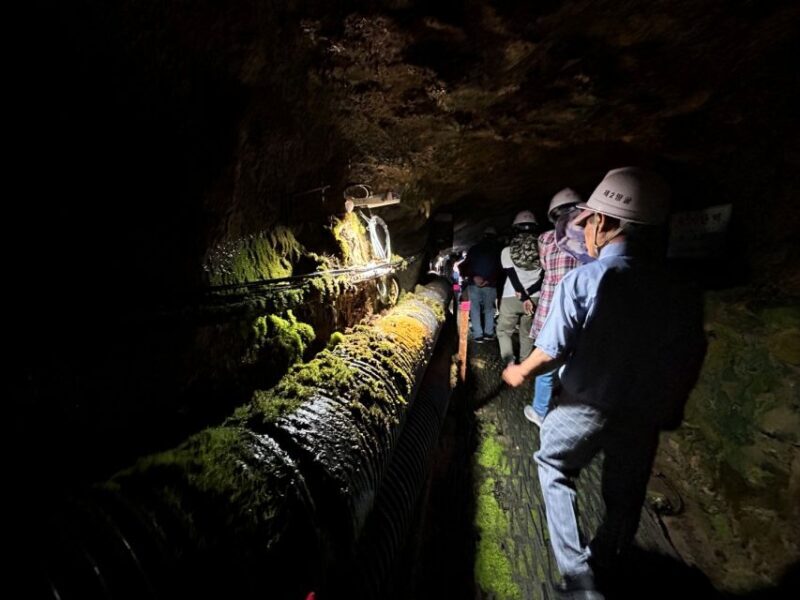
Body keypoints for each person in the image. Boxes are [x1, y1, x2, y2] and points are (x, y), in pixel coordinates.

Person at [503, 167, 706, 599]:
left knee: (553, 466)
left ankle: (579, 578)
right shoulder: (680, 287)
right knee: (626, 489)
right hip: (644, 409)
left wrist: (520, 370)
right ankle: (609, 559)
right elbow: (690, 350)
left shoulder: (587, 278)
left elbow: (553, 349)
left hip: (585, 403)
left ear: (605, 222)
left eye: (590, 221)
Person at [524, 188, 586, 427]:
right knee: (576, 363)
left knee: (546, 363)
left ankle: (541, 410)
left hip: (552, 308)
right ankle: (572, 409)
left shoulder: (546, 239)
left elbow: (543, 265)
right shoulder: (589, 237)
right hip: (582, 312)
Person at [497, 210, 543, 365]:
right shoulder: (543, 250)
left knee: (504, 331)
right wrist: (529, 294)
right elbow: (544, 277)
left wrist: (522, 295)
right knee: (527, 333)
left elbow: (512, 276)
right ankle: (525, 364)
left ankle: (510, 363)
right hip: (535, 297)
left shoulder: (507, 251)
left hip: (512, 296)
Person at [460, 226, 502, 342]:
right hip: (490, 285)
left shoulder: (474, 249)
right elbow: (500, 268)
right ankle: (488, 333)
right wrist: (488, 279)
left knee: (474, 309)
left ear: (483, 236)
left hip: (474, 284)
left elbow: (464, 266)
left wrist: (474, 277)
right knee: (489, 309)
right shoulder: (498, 250)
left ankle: (478, 335)